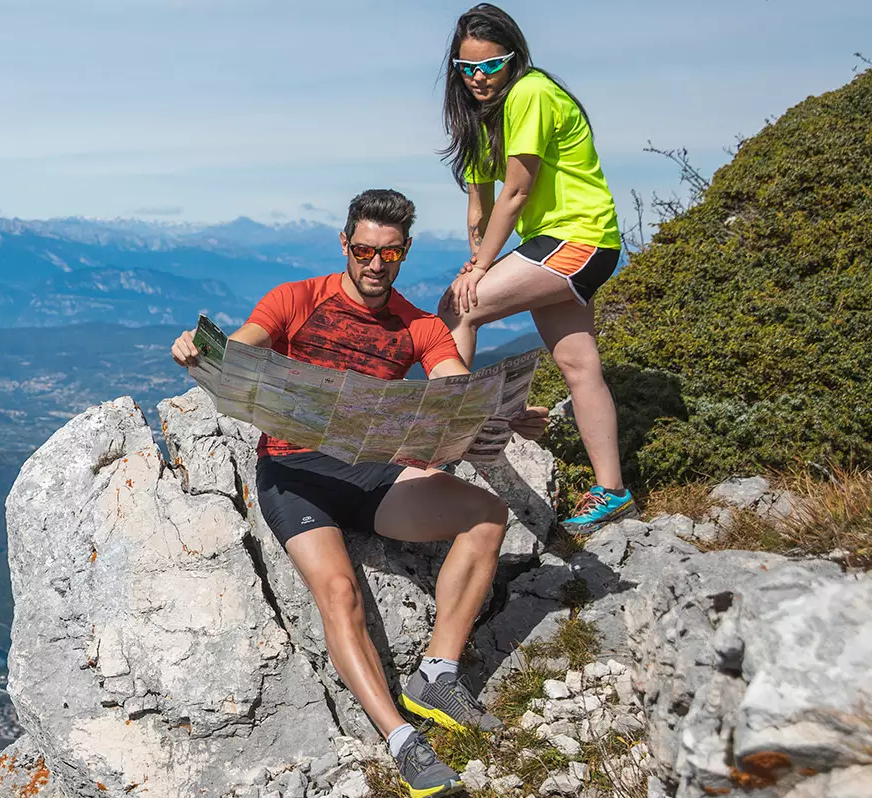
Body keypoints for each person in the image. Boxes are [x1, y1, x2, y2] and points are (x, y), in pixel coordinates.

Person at [171, 190, 547, 798]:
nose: (376, 263)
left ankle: (437, 673)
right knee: (340, 593)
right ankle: (401, 739)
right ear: (346, 244)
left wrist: (507, 414)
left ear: (404, 254)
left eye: (390, 252)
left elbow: (455, 391)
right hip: (295, 477)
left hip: (372, 475)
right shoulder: (296, 298)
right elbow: (240, 351)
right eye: (366, 250)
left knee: (485, 514)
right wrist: (197, 351)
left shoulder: (418, 325)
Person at [436, 3, 634, 533]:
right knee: (578, 364)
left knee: (459, 309)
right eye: (466, 68)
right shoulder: (484, 116)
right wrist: (476, 256)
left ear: (513, 57)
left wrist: (478, 272)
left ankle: (446, 443)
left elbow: (517, 191)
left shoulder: (531, 93)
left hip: (578, 238)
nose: (478, 78)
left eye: (490, 65)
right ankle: (612, 491)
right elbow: (480, 204)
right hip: (556, 243)